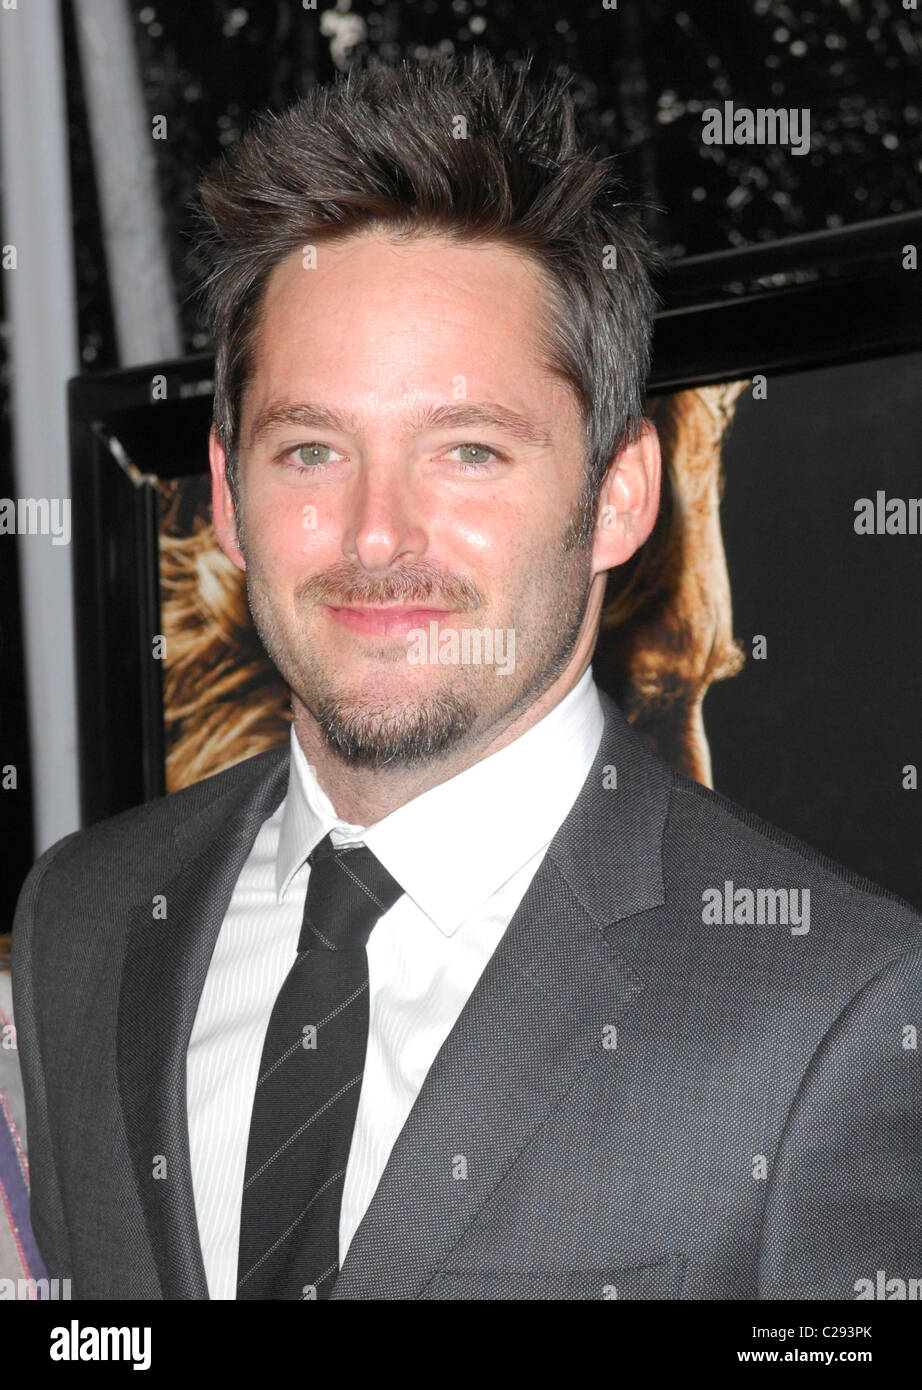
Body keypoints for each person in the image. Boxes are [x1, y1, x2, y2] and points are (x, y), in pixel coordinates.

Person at [13, 51, 922, 1301]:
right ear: (226, 496)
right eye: (314, 448)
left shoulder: (846, 1019)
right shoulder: (81, 922)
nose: (377, 536)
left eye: (470, 451)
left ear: (619, 496)